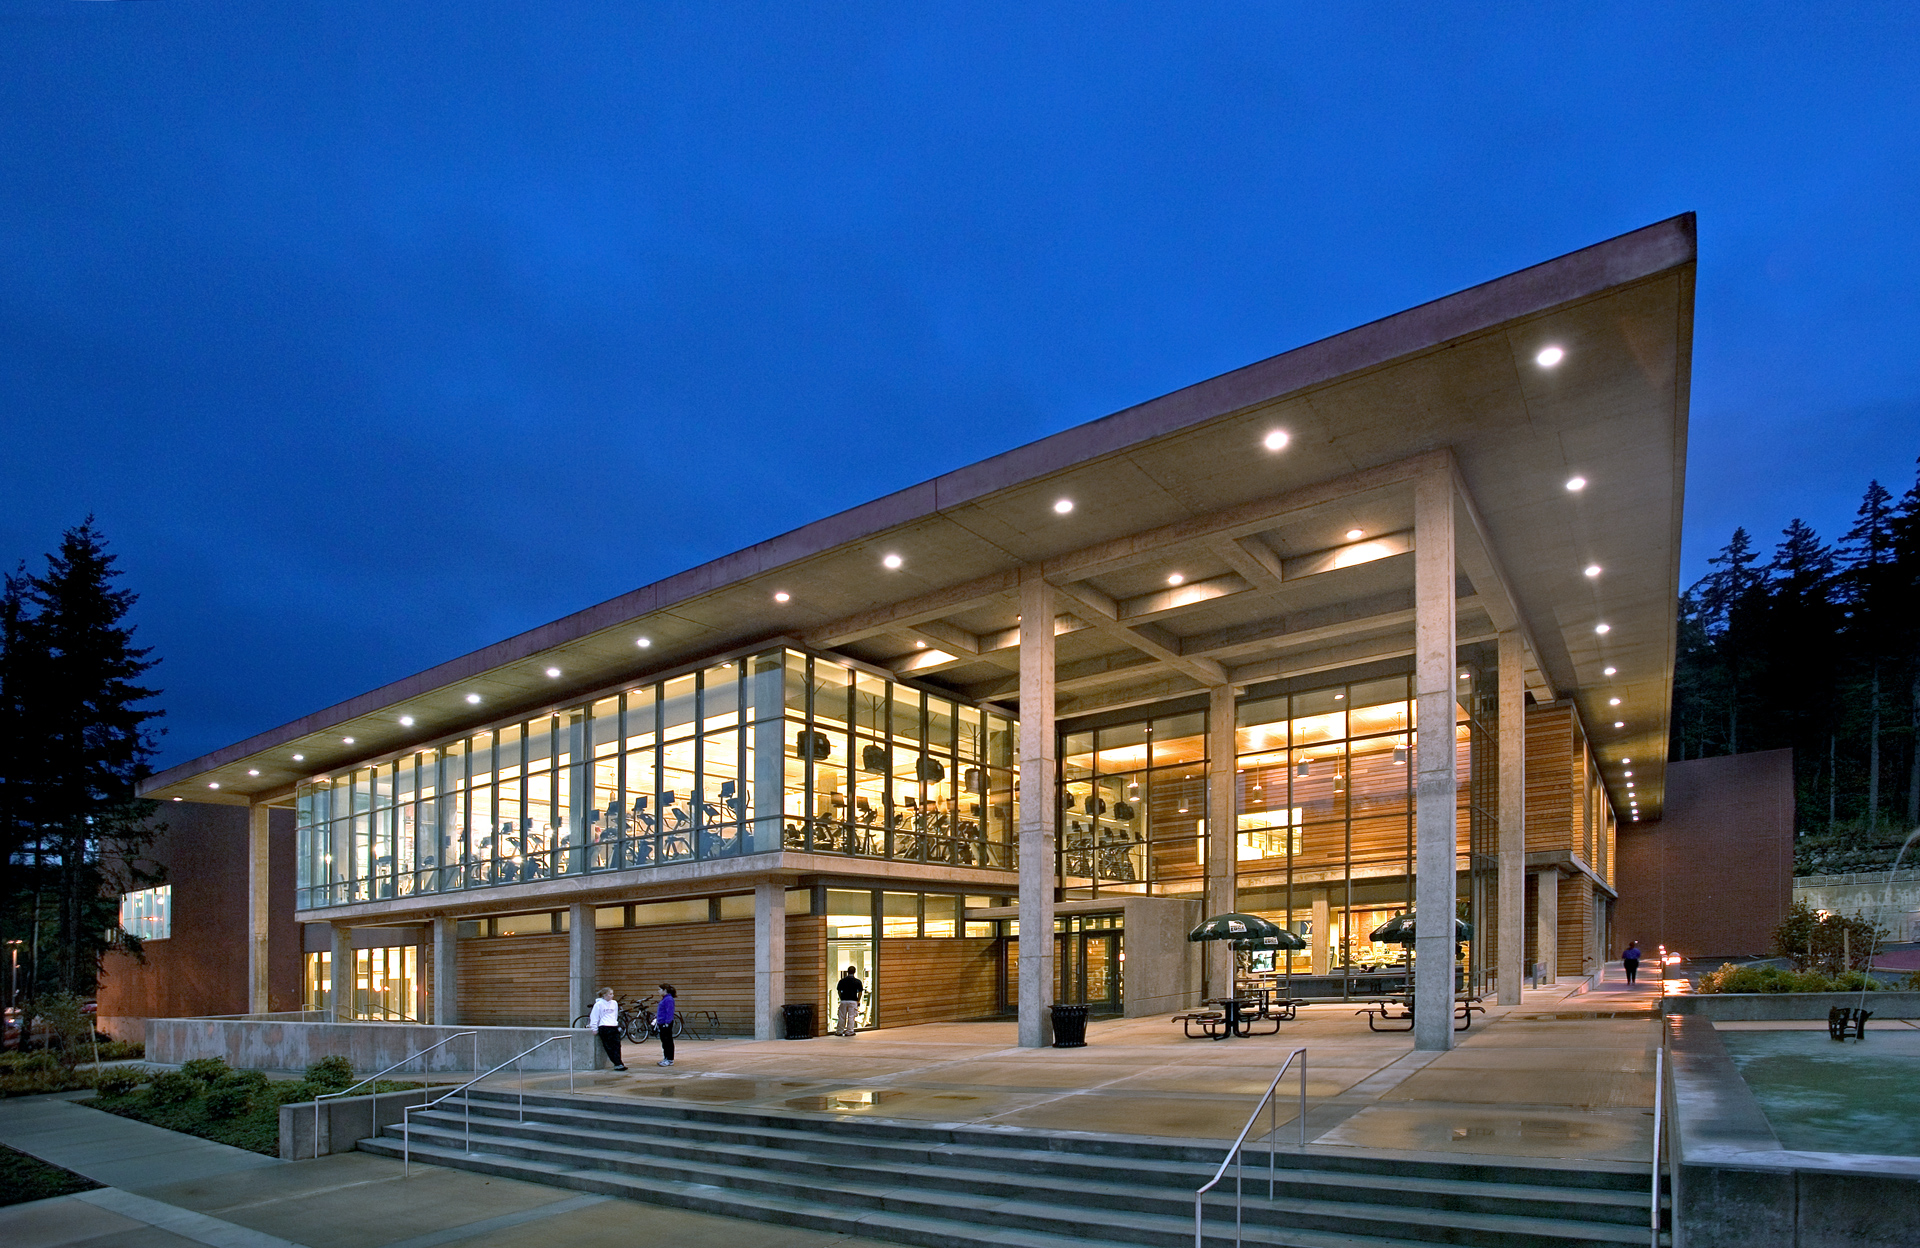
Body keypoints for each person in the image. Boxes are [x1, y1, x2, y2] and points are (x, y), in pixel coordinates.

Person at [589, 987, 626, 1070]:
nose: (612, 996)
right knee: (609, 1046)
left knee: (617, 1045)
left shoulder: (614, 1003)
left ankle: (619, 1062)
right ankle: (617, 1063)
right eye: (610, 994)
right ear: (604, 995)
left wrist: (615, 1023)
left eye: (612, 994)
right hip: (604, 1027)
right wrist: (594, 1028)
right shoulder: (599, 1004)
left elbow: (615, 1015)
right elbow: (594, 1016)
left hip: (613, 1026)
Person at [835, 966, 864, 1036]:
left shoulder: (842, 981)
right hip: (853, 1000)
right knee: (851, 1016)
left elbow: (839, 991)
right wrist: (858, 1000)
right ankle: (850, 1031)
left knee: (842, 1016)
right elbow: (860, 992)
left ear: (847, 971)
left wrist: (841, 997)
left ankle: (839, 1031)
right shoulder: (857, 981)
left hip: (844, 1000)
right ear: (854, 972)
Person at [654, 983, 676, 1067]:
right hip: (661, 1023)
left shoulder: (669, 999)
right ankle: (666, 1058)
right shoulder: (664, 999)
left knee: (668, 1041)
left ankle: (670, 1059)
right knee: (664, 1042)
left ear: (665, 990)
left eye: (660, 989)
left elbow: (670, 1012)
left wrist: (667, 1023)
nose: (658, 991)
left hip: (665, 1024)